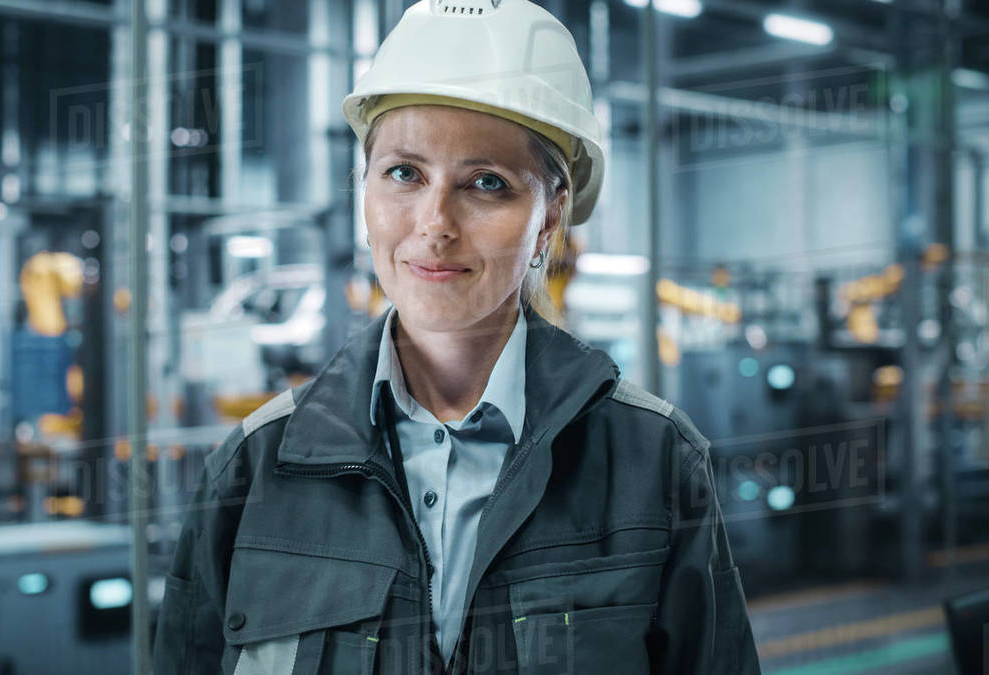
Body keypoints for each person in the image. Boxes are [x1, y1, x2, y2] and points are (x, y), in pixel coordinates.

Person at [153, 1, 760, 673]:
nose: (434, 223)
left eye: (487, 184)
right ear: (365, 189)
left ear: (551, 212)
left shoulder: (656, 463)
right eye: (404, 173)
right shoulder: (252, 469)